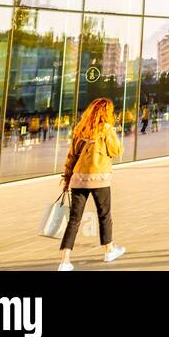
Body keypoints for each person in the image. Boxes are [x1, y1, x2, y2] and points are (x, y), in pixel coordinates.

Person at [57, 98, 127, 271]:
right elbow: (116, 150)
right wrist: (111, 132)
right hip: (99, 178)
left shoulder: (80, 130)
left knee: (74, 219)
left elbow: (71, 157)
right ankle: (109, 250)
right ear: (106, 112)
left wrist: (67, 178)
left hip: (78, 179)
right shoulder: (106, 129)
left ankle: (65, 260)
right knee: (104, 215)